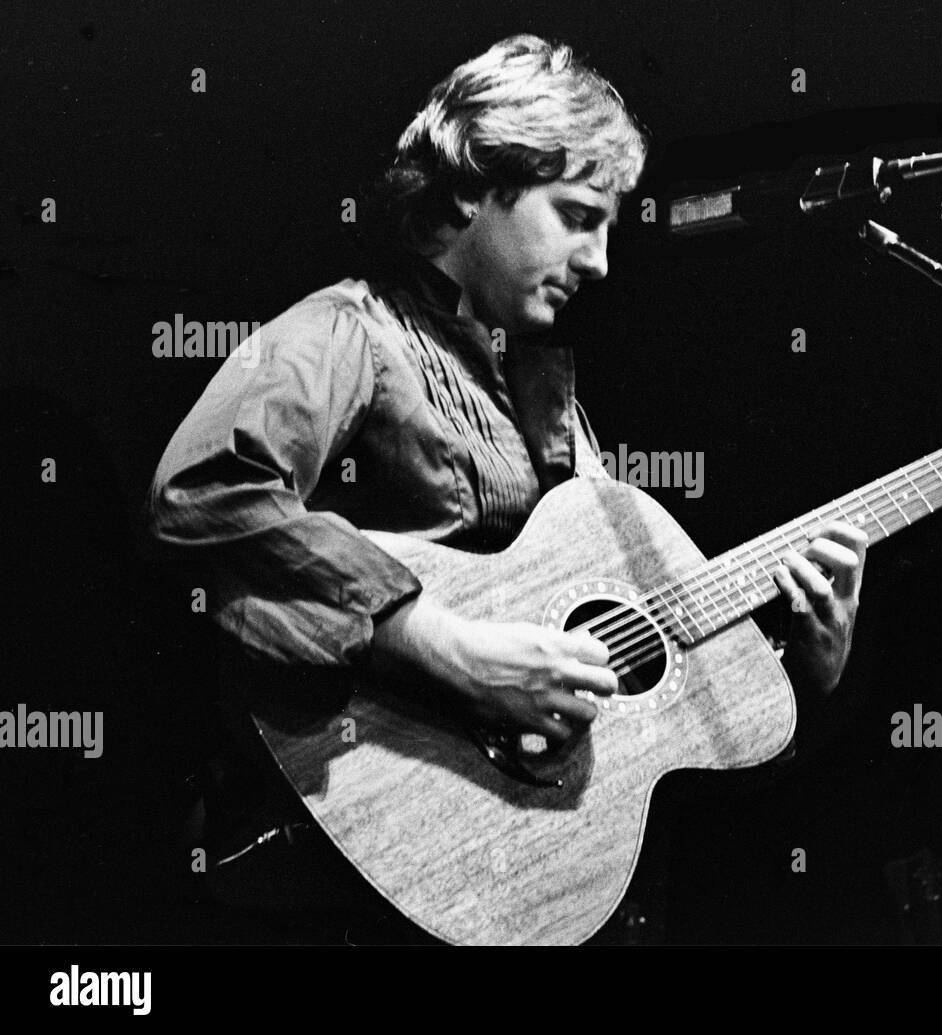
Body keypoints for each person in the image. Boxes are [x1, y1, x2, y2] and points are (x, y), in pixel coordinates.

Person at [146, 33, 869, 943]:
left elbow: (648, 712)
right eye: (577, 215)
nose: (602, 260)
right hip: (352, 864)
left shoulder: (548, 400)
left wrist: (803, 666)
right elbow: (204, 492)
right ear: (474, 188)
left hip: (543, 880)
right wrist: (449, 648)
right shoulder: (348, 330)